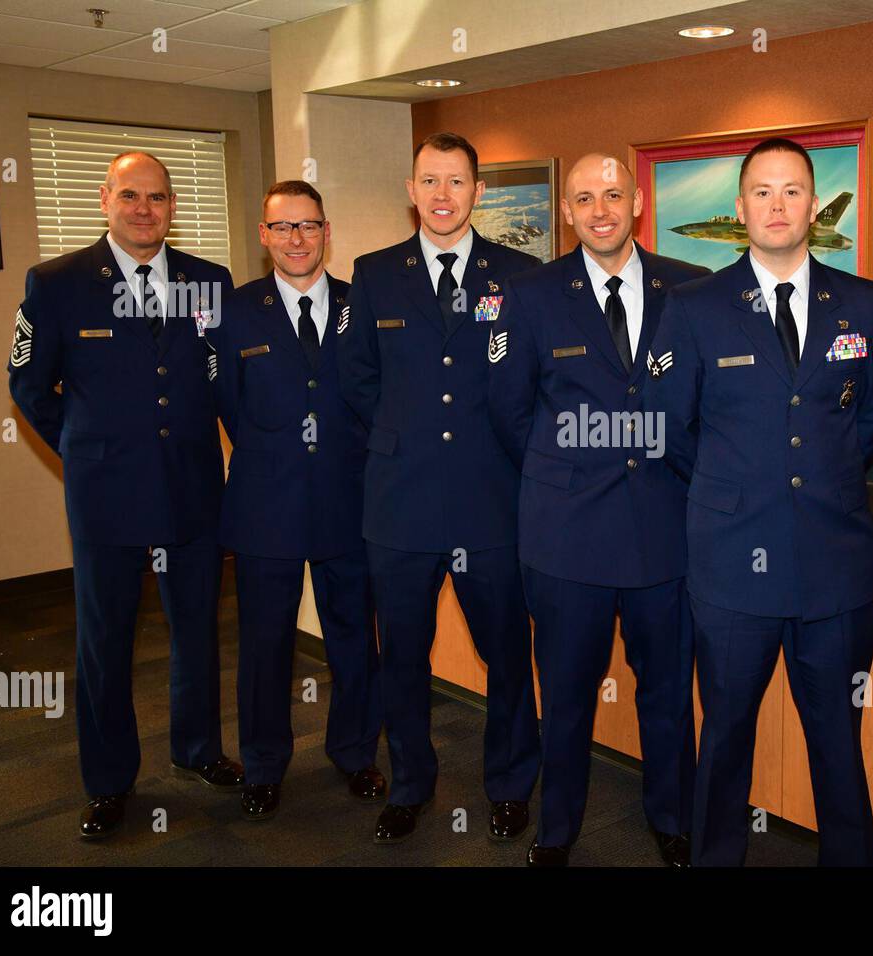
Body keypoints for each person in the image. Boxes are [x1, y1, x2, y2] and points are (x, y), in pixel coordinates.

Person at [645, 138, 873, 866]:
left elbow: (872, 417)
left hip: (834, 564)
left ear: (814, 205)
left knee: (839, 744)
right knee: (723, 739)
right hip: (729, 568)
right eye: (761, 192)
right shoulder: (692, 307)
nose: (777, 205)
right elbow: (672, 427)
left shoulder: (867, 304)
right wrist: (734, 488)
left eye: (791, 191)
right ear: (741, 206)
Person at [7, 151, 242, 839]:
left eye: (159, 198)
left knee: (197, 632)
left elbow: (222, 379)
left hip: (193, 490)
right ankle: (109, 780)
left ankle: (197, 750)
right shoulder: (57, 284)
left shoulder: (209, 281)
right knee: (105, 643)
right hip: (106, 495)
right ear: (105, 199)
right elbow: (28, 385)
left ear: (172, 207)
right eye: (132, 195)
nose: (146, 209)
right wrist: (86, 447)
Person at [487, 153, 707, 867]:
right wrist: (570, 473)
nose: (601, 209)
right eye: (585, 198)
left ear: (637, 201)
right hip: (567, 539)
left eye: (613, 195)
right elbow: (511, 414)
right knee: (568, 698)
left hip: (666, 533)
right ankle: (558, 831)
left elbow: (702, 407)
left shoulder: (691, 288)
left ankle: (674, 820)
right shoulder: (529, 294)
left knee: (669, 694)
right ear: (567, 212)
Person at [337, 133, 542, 845]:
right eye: (431, 180)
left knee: (508, 656)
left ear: (478, 192)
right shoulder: (373, 273)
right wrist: (403, 433)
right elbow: (357, 376)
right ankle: (412, 784)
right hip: (401, 504)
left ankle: (512, 786)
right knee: (402, 658)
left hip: (493, 502)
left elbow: (531, 382)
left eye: (457, 181)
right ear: (412, 188)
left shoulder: (519, 274)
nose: (443, 194)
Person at [210, 181, 385, 822]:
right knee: (265, 646)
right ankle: (262, 764)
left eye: (308, 226)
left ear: (326, 231)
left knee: (352, 640)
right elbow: (228, 404)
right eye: (282, 228)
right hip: (266, 508)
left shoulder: (357, 305)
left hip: (349, 502)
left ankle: (355, 752)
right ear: (263, 235)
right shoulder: (231, 312)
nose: (296, 239)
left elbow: (373, 397)